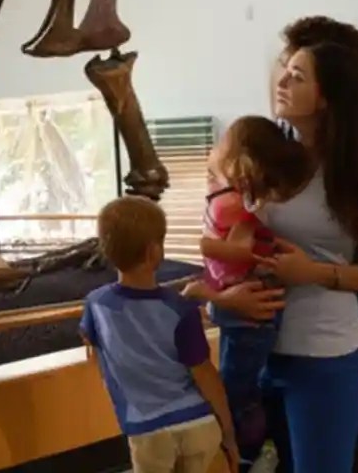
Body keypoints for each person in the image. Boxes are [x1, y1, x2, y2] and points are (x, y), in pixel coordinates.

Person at [277, 17, 358, 473]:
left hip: (345, 337)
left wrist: (317, 276)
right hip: (282, 345)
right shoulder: (281, 155)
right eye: (286, 66)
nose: (282, 77)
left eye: (298, 72)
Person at [188, 116, 315, 472]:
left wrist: (205, 247)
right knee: (235, 380)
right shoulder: (228, 198)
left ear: (238, 160)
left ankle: (254, 449)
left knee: (237, 387)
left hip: (248, 306)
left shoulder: (238, 205)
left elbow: (244, 251)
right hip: (236, 305)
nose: (213, 149)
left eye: (223, 144)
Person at [80, 196, 240, 473]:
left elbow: (91, 345)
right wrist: (228, 431)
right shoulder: (178, 309)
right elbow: (204, 373)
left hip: (146, 429)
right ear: (155, 252)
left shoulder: (97, 305)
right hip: (197, 422)